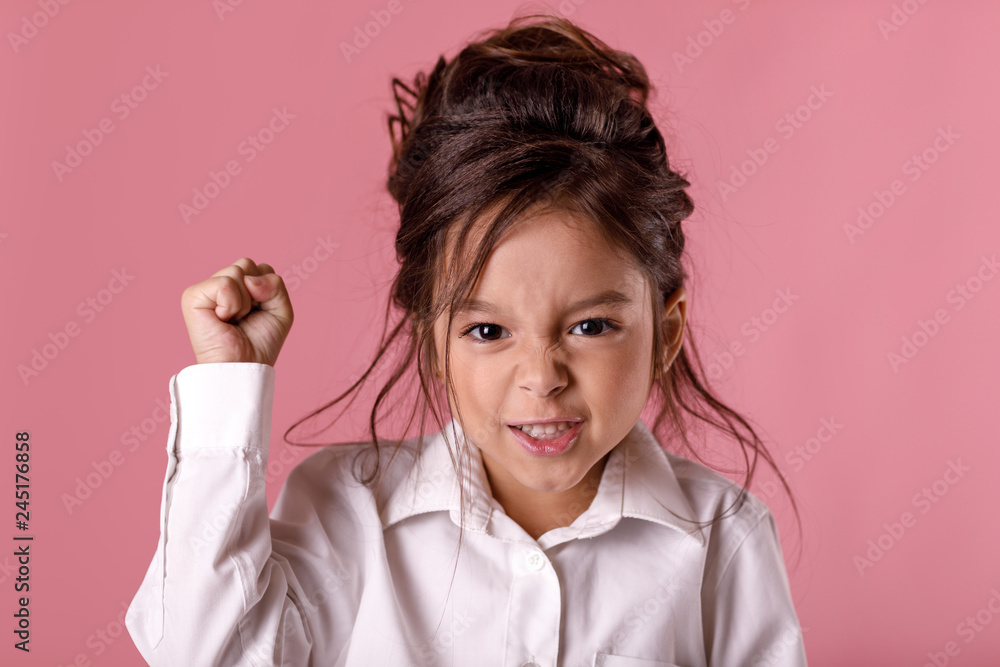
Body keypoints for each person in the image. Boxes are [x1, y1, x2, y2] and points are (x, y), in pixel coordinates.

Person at [125, 13, 807, 666]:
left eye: (590, 326)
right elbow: (203, 653)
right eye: (487, 330)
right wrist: (227, 387)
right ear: (433, 342)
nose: (541, 376)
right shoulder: (349, 511)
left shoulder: (725, 539)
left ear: (665, 332)